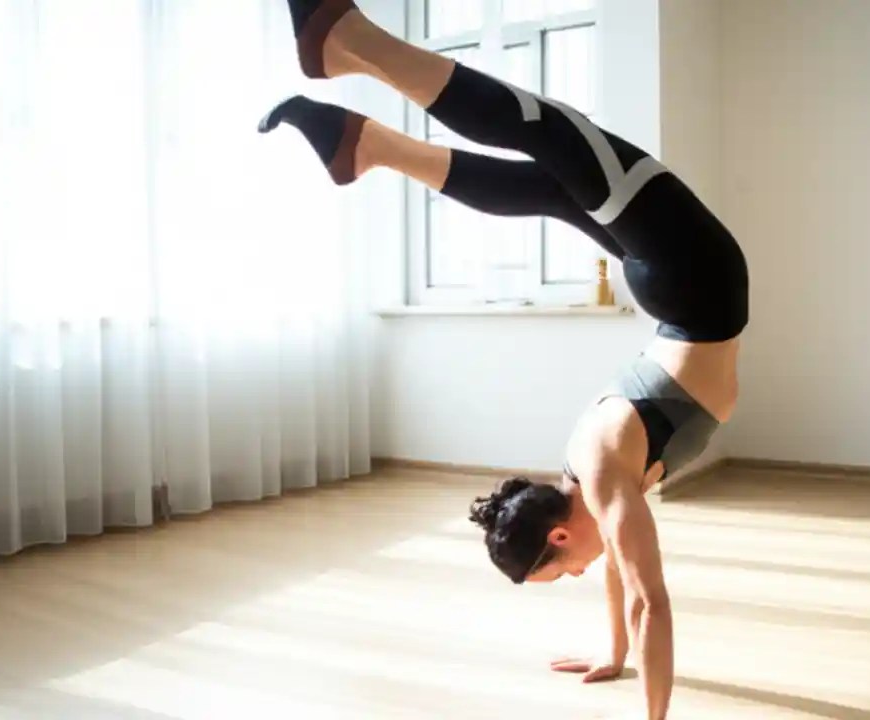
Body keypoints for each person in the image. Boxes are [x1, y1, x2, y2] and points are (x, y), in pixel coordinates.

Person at [261, 1, 748, 717]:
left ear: (557, 534)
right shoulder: (594, 485)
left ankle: (346, 43)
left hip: (695, 274)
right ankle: (365, 144)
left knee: (546, 131)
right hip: (679, 282)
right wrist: (614, 656)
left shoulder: (606, 470)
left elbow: (651, 602)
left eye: (565, 570)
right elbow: (617, 564)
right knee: (549, 181)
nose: (584, 571)